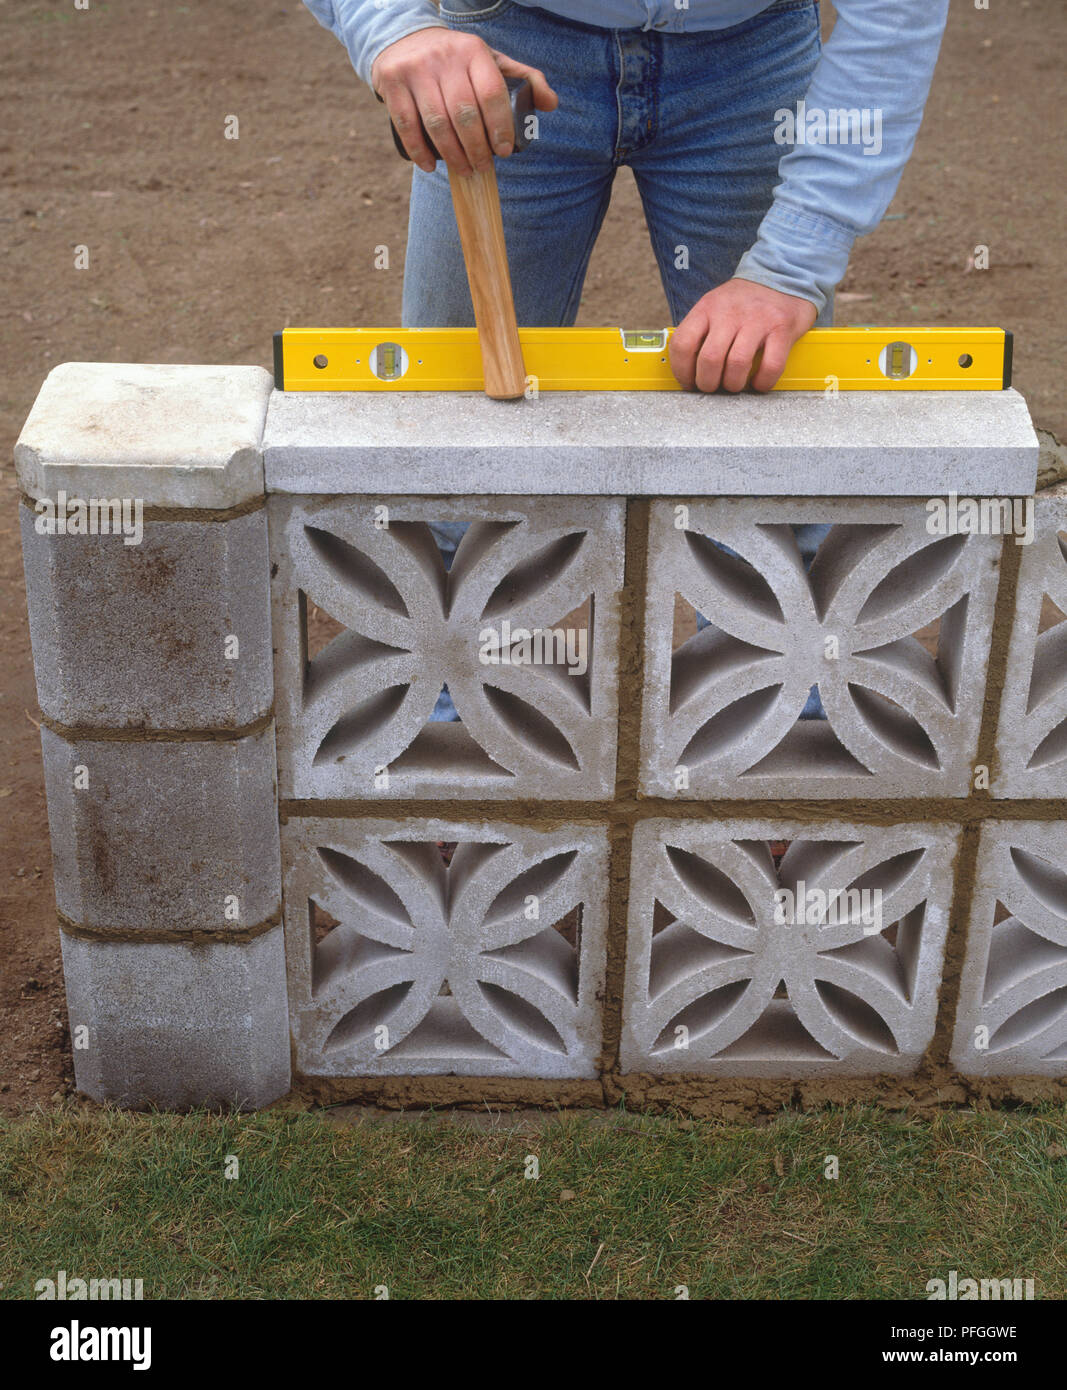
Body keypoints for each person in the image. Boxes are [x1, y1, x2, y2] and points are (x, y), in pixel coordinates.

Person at [302, 0, 948, 723]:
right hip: (502, 50)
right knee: (454, 448)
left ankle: (780, 739)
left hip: (749, 57)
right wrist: (394, 25)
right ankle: (439, 742)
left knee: (769, 446)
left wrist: (791, 263)